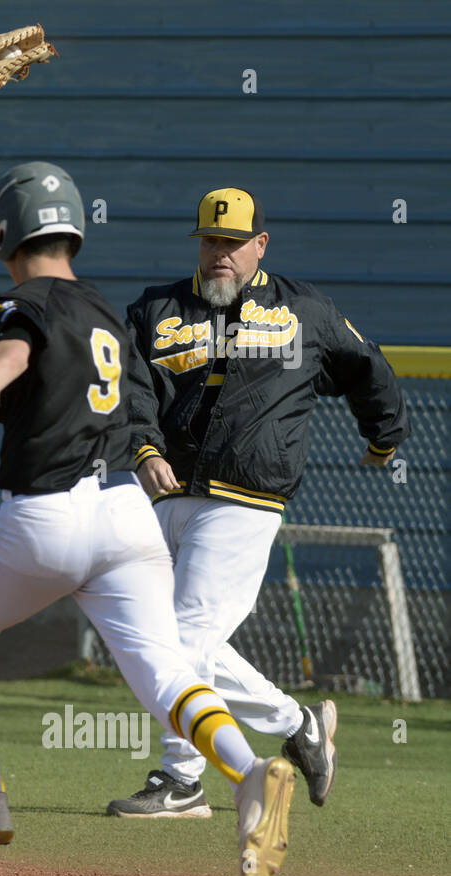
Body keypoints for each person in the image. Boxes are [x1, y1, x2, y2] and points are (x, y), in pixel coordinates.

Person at [0, 162, 297, 876]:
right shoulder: (106, 308)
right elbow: (62, 393)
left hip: (47, 515)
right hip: (127, 514)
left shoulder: (24, 300)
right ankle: (250, 771)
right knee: (167, 671)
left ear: (5, 233)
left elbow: (14, 350)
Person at [106, 187, 409, 818]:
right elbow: (130, 392)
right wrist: (143, 449)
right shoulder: (154, 309)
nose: (220, 253)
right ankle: (297, 722)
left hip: (246, 496)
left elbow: (367, 366)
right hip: (166, 492)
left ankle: (183, 780)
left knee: (185, 639)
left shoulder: (302, 309)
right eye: (210, 241)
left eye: (233, 243)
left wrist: (384, 437)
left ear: (259, 246)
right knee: (157, 638)